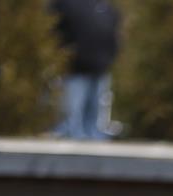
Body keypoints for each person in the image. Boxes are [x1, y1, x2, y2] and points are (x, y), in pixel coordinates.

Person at [49, 0, 120, 141]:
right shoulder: (66, 5)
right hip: (74, 70)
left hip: (100, 69)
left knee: (96, 114)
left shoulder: (107, 8)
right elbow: (56, 30)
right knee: (72, 113)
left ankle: (93, 140)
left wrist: (110, 57)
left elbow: (113, 35)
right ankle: (71, 137)